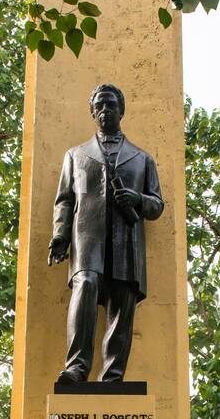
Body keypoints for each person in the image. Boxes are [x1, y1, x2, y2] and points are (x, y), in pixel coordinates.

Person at [49, 83, 164, 383]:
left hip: (126, 240)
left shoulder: (142, 159)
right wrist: (60, 236)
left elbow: (156, 205)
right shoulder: (75, 156)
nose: (105, 110)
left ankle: (112, 375)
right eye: (99, 105)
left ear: (121, 110)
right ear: (92, 112)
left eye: (111, 105)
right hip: (87, 239)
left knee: (121, 301)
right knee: (85, 284)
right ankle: (76, 367)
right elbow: (64, 199)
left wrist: (137, 199)